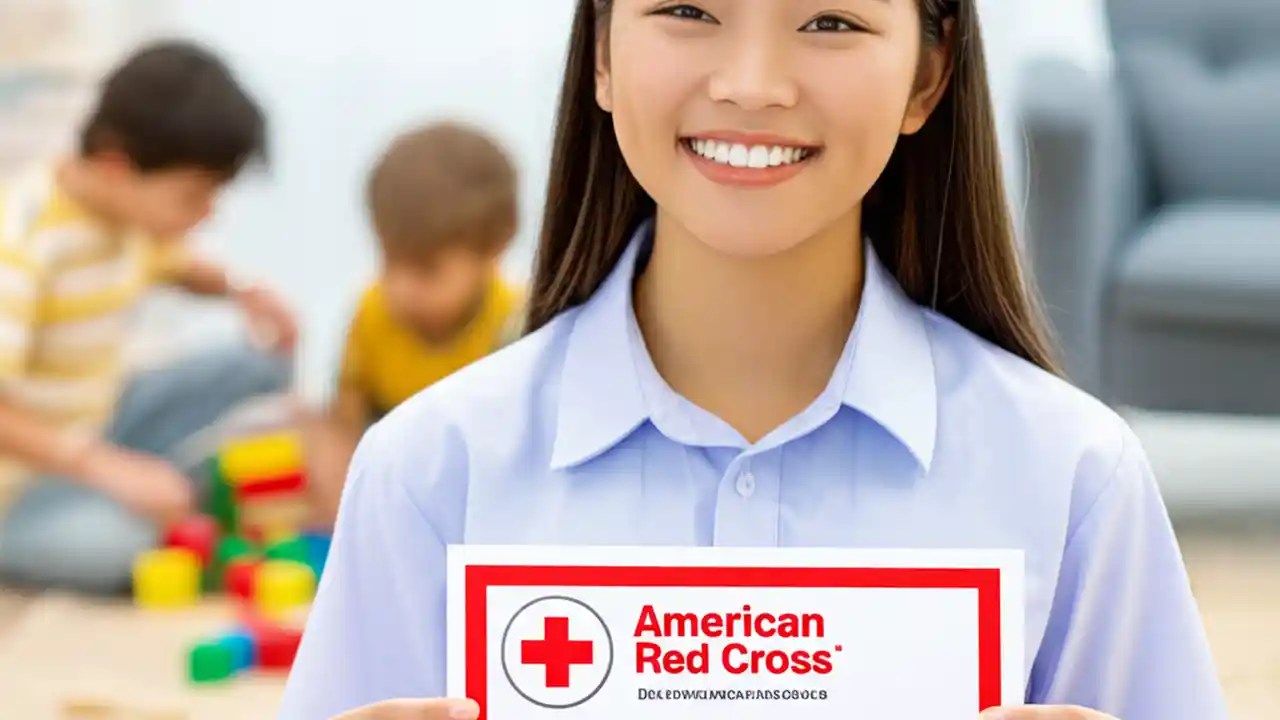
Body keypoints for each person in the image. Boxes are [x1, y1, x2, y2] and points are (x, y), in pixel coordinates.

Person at [281, 1, 1227, 719]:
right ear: (602, 51)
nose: (752, 84)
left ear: (928, 76)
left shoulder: (1074, 474)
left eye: (830, 21)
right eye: (689, 10)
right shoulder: (428, 470)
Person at [0, 41, 297, 594]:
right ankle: (155, 501)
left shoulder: (127, 214)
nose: (208, 214)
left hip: (100, 420)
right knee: (121, 549)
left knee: (262, 363)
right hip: (20, 485)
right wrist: (107, 468)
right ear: (116, 167)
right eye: (193, 197)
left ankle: (163, 493)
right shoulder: (22, 243)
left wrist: (244, 292)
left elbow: (176, 265)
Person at [300, 122, 524, 524]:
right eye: (389, 260)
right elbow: (347, 413)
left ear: (495, 248)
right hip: (390, 451)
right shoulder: (372, 310)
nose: (400, 289)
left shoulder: (514, 326)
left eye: (426, 271)